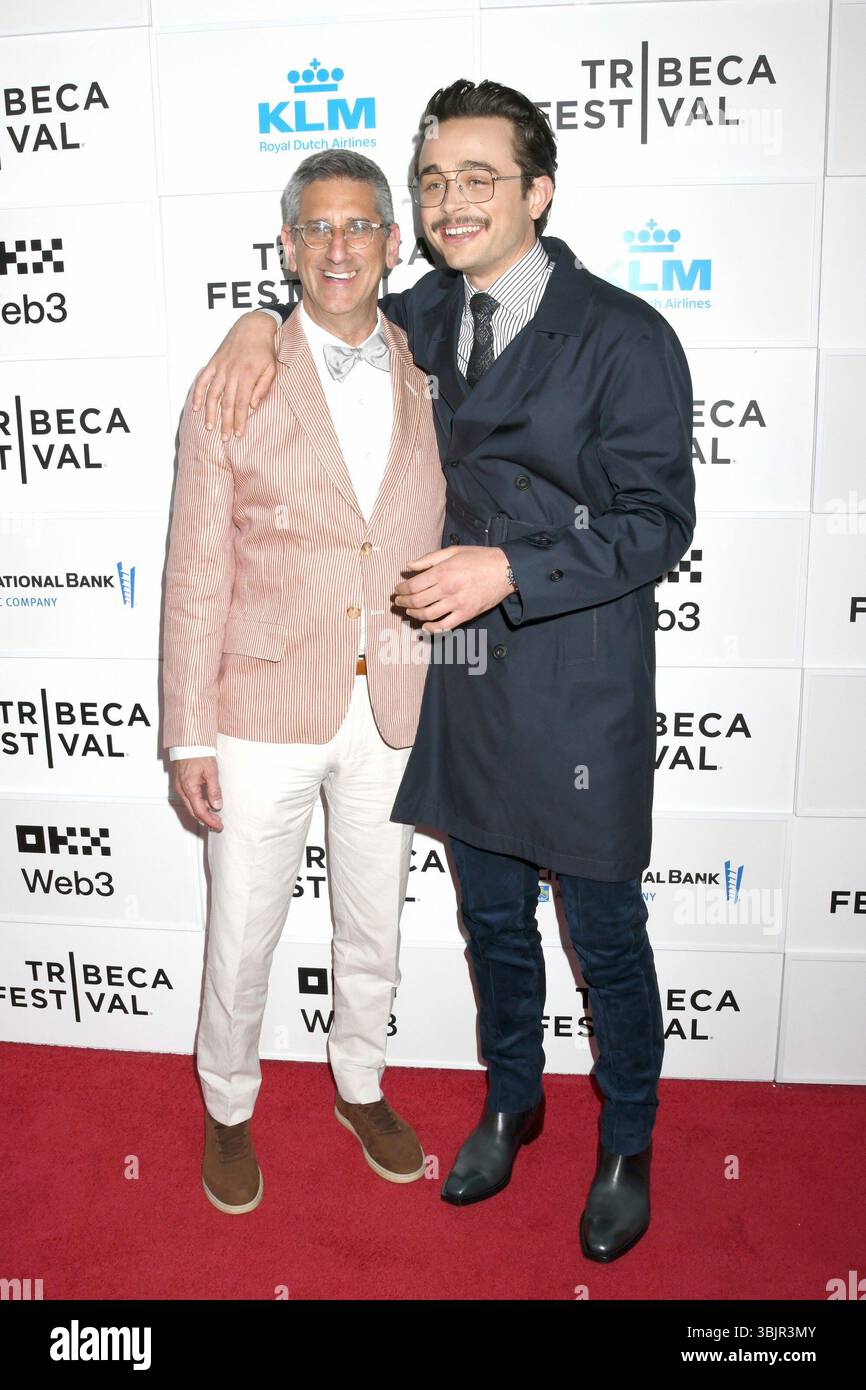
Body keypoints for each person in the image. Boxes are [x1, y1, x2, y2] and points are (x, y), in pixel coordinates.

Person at [191, 79, 696, 1261]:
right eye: (430, 181)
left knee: (605, 930)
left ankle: (626, 1135)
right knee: (488, 921)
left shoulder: (623, 333)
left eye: (477, 177)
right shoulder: (422, 306)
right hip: (459, 675)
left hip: (576, 676)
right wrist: (253, 322)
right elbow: (326, 300)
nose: (447, 200)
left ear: (538, 190)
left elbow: (655, 521)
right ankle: (510, 1103)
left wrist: (511, 568)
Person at [162, 150, 445, 1214]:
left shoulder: (432, 364)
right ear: (286, 246)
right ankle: (228, 1104)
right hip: (262, 713)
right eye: (316, 229)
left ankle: (359, 1081)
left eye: (359, 226)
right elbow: (195, 566)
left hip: (395, 703)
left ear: (389, 243)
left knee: (374, 920)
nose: (338, 246)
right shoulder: (235, 377)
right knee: (242, 929)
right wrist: (188, 737)